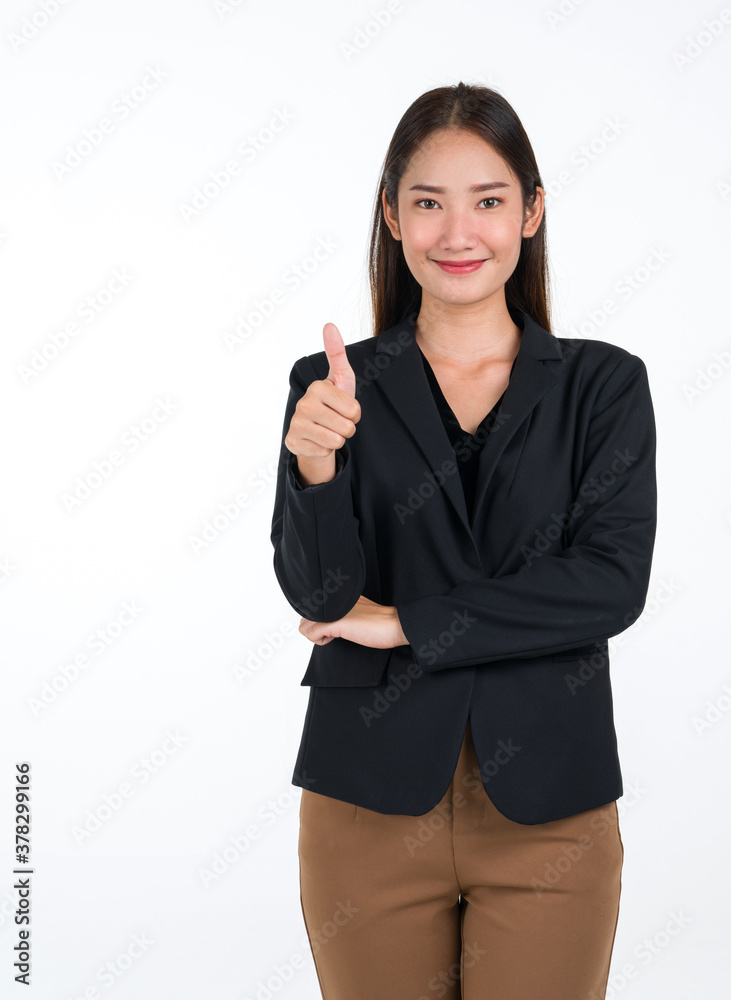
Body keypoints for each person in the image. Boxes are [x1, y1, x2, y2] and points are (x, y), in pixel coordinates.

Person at [270, 82, 657, 1000]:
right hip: (365, 802)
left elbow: (609, 584)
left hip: (549, 811)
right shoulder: (333, 385)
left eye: (487, 201)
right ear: (391, 217)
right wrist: (315, 468)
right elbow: (323, 599)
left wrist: (413, 622)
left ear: (529, 211)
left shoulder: (602, 387)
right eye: (427, 202)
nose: (457, 233)